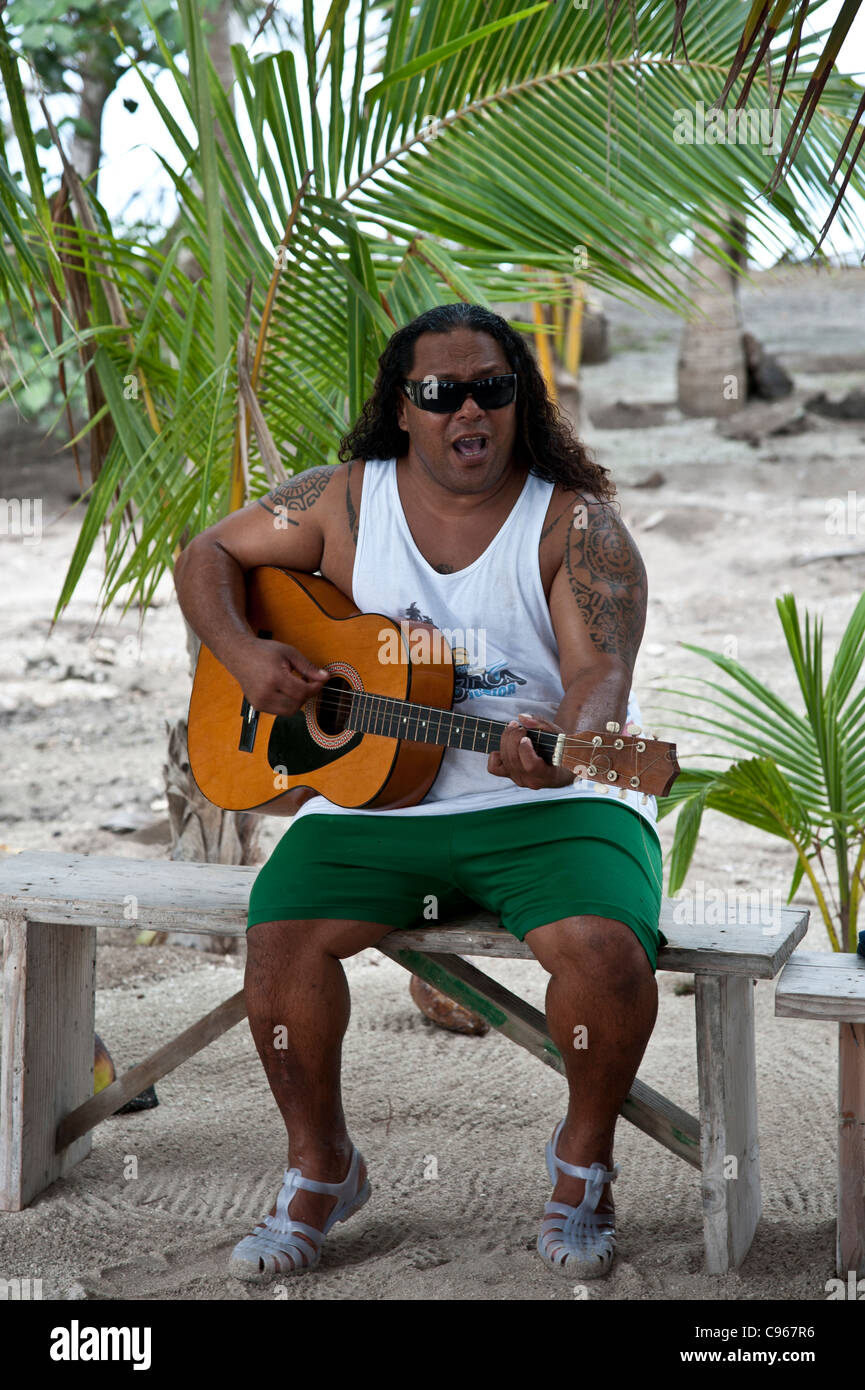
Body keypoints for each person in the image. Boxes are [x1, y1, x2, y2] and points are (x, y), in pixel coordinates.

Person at [174, 301, 664, 1285]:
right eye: (441, 392)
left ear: (519, 401)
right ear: (403, 408)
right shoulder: (341, 502)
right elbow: (206, 556)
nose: (466, 409)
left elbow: (599, 679)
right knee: (277, 946)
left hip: (551, 806)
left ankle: (580, 1165)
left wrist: (564, 745)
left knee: (605, 959)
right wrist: (244, 651)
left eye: (492, 388)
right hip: (377, 802)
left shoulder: (577, 529)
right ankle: (322, 1171)